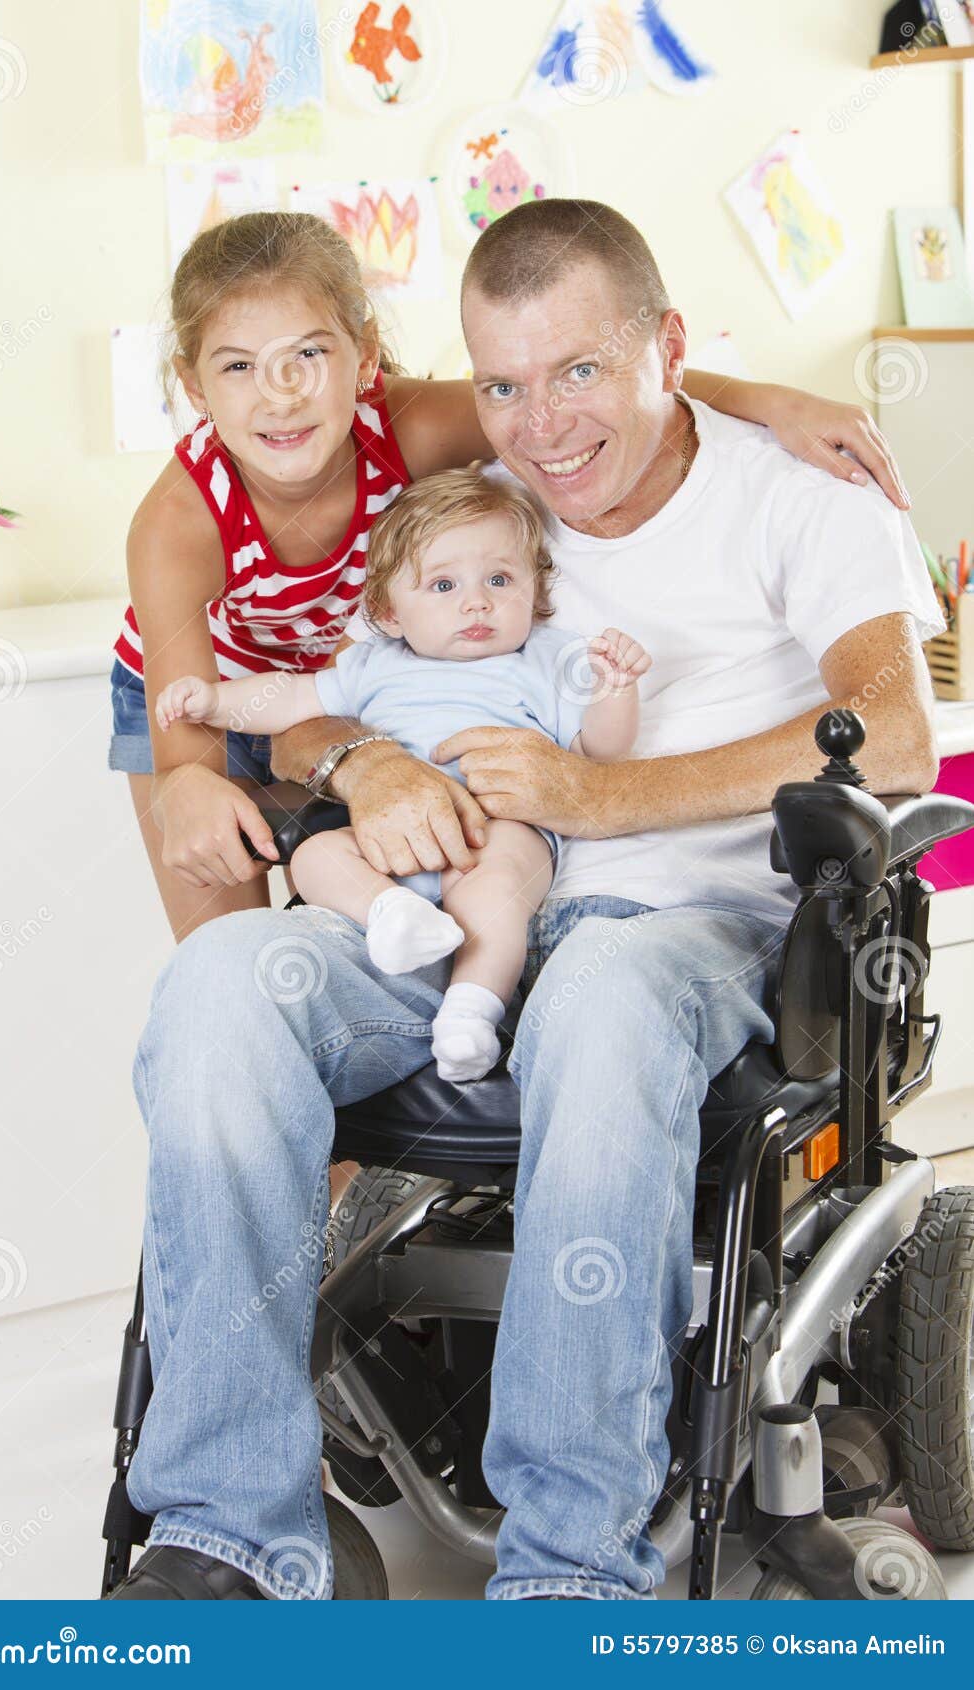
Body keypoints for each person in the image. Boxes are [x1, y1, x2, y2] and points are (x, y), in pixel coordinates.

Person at [108, 199, 941, 1602]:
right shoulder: (476, 518)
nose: (539, 426)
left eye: (576, 374)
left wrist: (597, 797)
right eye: (499, 384)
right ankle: (225, 1532)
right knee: (218, 981)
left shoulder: (797, 494)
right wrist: (368, 762)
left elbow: (897, 731)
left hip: (677, 937)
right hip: (452, 916)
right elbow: (330, 703)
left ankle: (568, 1569)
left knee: (603, 994)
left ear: (663, 348)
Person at [154, 467, 651, 1081]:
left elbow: (602, 750)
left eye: (500, 579)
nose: (476, 601)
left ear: (535, 592)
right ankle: (390, 913)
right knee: (316, 857)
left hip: (493, 828)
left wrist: (615, 690)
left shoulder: (548, 657)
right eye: (442, 584)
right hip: (387, 837)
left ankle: (471, 1012)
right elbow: (291, 699)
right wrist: (214, 701)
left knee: (498, 893)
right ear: (390, 612)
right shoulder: (373, 664)